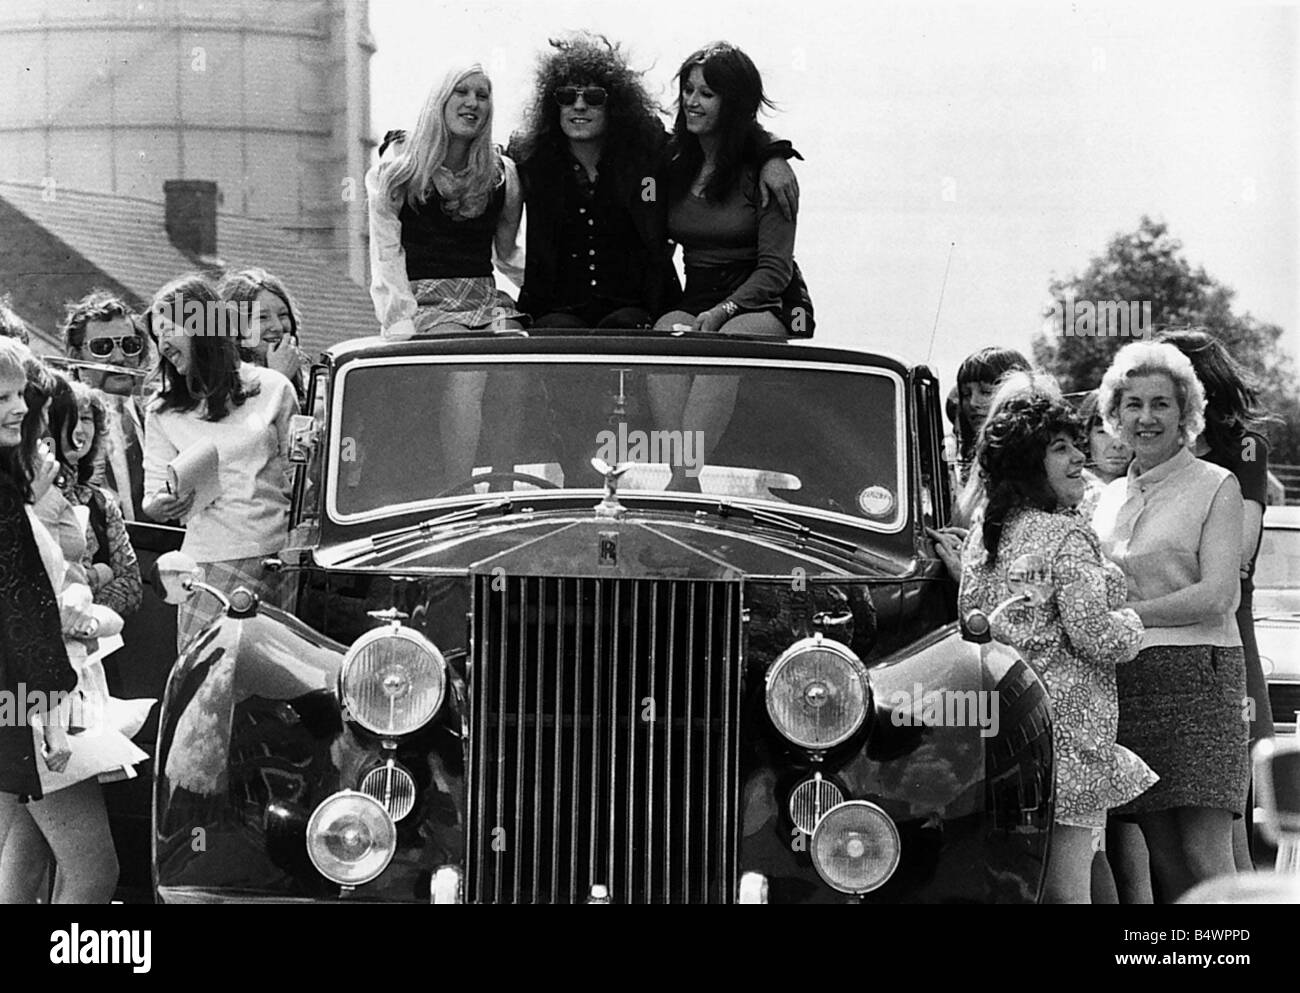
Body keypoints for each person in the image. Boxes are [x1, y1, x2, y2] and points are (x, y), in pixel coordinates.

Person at [958, 386, 1155, 902]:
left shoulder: (986, 536)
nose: (1078, 458)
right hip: (1068, 738)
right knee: (1070, 888)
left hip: (1004, 737)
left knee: (1027, 885)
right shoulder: (1066, 535)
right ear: (1029, 461)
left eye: (1075, 444)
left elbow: (971, 622)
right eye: (1061, 448)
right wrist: (1135, 626)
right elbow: (1096, 634)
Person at [1092, 340, 1248, 902]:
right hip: (1130, 683)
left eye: (1161, 404)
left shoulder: (1216, 485)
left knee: (1206, 854)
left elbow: (1217, 594)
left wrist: (1124, 615)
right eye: (1132, 404)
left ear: (1186, 414)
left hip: (1198, 678)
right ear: (1115, 415)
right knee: (1162, 855)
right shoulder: (1104, 499)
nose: (1146, 417)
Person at [509, 33, 799, 332]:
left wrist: (774, 154)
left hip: (741, 304)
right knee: (575, 334)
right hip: (677, 302)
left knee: (645, 333)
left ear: (616, 105)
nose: (579, 106)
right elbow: (489, 158)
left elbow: (775, 269)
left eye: (594, 97)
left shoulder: (648, 158)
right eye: (566, 96)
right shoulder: (533, 160)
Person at [648, 43, 802, 491]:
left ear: (733, 102)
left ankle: (680, 482)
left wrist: (723, 312)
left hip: (756, 307)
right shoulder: (675, 161)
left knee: (722, 345)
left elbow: (776, 270)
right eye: (688, 91)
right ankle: (686, 480)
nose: (692, 102)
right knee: (662, 336)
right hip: (696, 297)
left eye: (707, 94)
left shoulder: (770, 174)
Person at [367, 63, 526, 491]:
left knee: (520, 360)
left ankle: (503, 485)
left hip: (483, 294)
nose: (472, 102)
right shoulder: (399, 171)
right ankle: (460, 492)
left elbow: (508, 254)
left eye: (482, 94)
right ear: (440, 100)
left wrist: (531, 293)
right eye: (461, 92)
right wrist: (398, 317)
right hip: (426, 300)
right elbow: (385, 253)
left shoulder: (501, 173)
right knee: (467, 366)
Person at [0, 339, 118, 903]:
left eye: (21, 396)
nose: (21, 410)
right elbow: (21, 615)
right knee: (94, 875)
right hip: (32, 706)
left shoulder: (16, 489)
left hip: (29, 703)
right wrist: (46, 711)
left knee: (23, 870)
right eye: (3, 398)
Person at [1158, 327, 1274, 871]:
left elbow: (1240, 553)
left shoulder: (1241, 448)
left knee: (1229, 816)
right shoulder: (1151, 454)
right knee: (1164, 824)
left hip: (1227, 634)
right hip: (1161, 651)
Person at [141, 275, 298, 651]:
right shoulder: (161, 411)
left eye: (170, 328)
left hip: (277, 559)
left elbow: (303, 480)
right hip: (206, 565)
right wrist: (163, 505)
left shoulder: (274, 387)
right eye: (156, 333)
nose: (162, 343)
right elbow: (151, 497)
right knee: (207, 686)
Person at [47, 379, 142, 617]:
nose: (79, 429)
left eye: (87, 419)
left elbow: (132, 586)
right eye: (70, 418)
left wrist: (85, 610)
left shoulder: (101, 503)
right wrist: (98, 575)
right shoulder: (28, 494)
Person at [60, 290, 152, 522]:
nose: (119, 358)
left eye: (130, 345)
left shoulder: (155, 417)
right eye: (102, 348)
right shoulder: (58, 423)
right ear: (74, 356)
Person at [219, 267, 310, 400]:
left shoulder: (309, 385)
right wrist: (278, 377)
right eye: (262, 317)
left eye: (283, 315)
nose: (278, 327)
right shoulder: (220, 385)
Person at [1076, 389, 1134, 520]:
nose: (1117, 444)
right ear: (1086, 436)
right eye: (1103, 432)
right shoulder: (1072, 491)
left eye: (1125, 431)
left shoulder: (1148, 486)